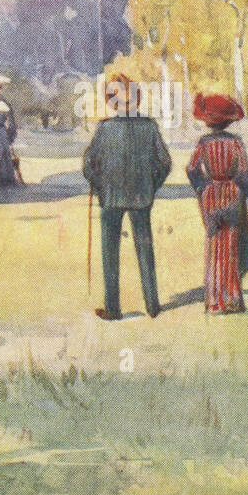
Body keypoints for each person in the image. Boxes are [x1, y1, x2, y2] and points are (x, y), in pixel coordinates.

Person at [82, 75, 172, 321]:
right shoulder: (149, 126)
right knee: (145, 249)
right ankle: (152, 304)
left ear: (111, 102)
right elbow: (164, 163)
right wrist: (151, 186)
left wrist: (100, 185)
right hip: (141, 195)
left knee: (110, 253)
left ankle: (113, 308)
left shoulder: (104, 128)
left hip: (111, 196)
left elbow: (89, 165)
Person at [186, 93, 248, 315]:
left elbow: (192, 169)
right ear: (228, 121)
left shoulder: (203, 144)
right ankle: (233, 299)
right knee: (231, 247)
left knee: (214, 245)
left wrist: (203, 188)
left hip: (211, 195)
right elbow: (245, 172)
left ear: (208, 122)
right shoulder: (235, 143)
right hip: (232, 194)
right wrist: (242, 190)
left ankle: (214, 300)